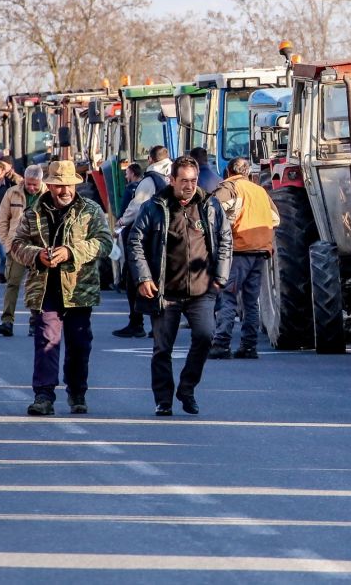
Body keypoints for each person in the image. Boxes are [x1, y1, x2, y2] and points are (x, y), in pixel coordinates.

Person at [126, 155, 231, 416]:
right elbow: (135, 242)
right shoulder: (154, 207)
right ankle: (163, 399)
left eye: (193, 180)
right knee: (162, 349)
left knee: (206, 337)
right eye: (183, 180)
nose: (189, 185)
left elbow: (225, 238)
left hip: (202, 290)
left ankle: (187, 388)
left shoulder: (210, 205)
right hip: (165, 292)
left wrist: (221, 276)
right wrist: (144, 278)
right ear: (172, 180)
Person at [9, 160, 113, 416]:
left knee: (79, 345)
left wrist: (70, 252)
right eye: (58, 186)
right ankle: (44, 395)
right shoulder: (33, 212)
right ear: (50, 186)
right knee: (46, 341)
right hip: (45, 288)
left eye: (68, 185)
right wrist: (37, 255)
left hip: (80, 290)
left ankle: (77, 392)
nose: (64, 191)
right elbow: (17, 244)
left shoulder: (90, 210)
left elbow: (104, 243)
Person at [209, 157, 279, 359]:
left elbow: (213, 213)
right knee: (250, 301)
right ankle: (249, 346)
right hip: (260, 251)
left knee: (227, 297)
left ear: (228, 171)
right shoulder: (259, 191)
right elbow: (276, 219)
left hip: (238, 250)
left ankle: (221, 344)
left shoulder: (230, 188)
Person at [114, 149, 170, 339]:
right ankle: (161, 324)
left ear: (150, 159)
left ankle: (136, 323)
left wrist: (121, 222)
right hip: (173, 235)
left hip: (149, 235)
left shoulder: (150, 180)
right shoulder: (177, 174)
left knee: (136, 278)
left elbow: (137, 206)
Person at [0, 165, 45, 337]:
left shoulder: (48, 195)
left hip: (39, 248)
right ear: (24, 180)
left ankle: (35, 321)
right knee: (12, 283)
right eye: (29, 184)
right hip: (16, 246)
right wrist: (6, 244)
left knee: (37, 285)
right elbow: (2, 219)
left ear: (41, 182)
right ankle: (7, 321)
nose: (31, 188)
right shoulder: (12, 193)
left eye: (35, 185)